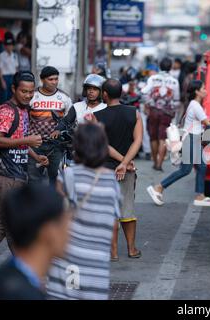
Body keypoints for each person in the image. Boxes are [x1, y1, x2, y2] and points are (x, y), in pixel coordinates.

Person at [46, 123, 121, 300]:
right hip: (97, 264)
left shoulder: (68, 175)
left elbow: (54, 213)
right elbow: (113, 221)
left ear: (77, 147)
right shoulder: (112, 181)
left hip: (68, 257)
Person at [95, 79, 143, 261]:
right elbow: (138, 140)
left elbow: (103, 145)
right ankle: (131, 249)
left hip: (105, 168)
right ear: (122, 93)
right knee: (128, 209)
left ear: (104, 94)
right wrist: (126, 163)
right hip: (128, 169)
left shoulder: (96, 116)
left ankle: (112, 252)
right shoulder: (134, 113)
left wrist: (121, 162)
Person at [147, 80, 210, 207]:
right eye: (203, 88)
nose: (205, 90)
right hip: (191, 140)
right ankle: (159, 187)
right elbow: (207, 123)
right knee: (185, 170)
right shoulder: (196, 105)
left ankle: (200, 196)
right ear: (197, 92)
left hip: (194, 140)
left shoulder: (193, 104)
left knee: (202, 167)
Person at [0, 71, 47, 251]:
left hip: (18, 175)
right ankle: (26, 271)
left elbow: (18, 140)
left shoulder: (23, 110)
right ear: (13, 89)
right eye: (23, 91)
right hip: (7, 177)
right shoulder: (7, 111)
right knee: (14, 225)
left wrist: (35, 156)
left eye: (31, 92)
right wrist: (26, 140)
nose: (28, 95)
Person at [0, 184, 70, 300]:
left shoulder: (8, 278)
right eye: (65, 222)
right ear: (49, 231)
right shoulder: (22, 293)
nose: (71, 230)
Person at [27, 66, 72, 185]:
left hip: (56, 146)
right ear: (42, 80)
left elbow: (69, 120)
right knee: (33, 179)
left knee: (56, 180)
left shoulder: (65, 98)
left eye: (56, 79)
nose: (54, 82)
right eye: (50, 79)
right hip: (35, 145)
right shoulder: (32, 96)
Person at [141, 57, 180, 171]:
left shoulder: (153, 79)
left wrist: (149, 103)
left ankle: (154, 161)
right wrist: (172, 111)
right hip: (166, 113)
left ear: (159, 66)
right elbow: (177, 100)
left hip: (153, 111)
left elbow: (143, 93)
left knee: (153, 137)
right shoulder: (174, 81)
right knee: (163, 137)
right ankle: (159, 163)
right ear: (170, 67)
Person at [0, 32, 19, 104]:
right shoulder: (1, 55)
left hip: (13, 77)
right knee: (4, 96)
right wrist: (2, 81)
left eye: (10, 45)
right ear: (5, 46)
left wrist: (17, 78)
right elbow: (0, 69)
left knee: (12, 95)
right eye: (7, 45)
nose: (9, 47)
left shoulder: (14, 55)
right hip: (5, 77)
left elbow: (16, 68)